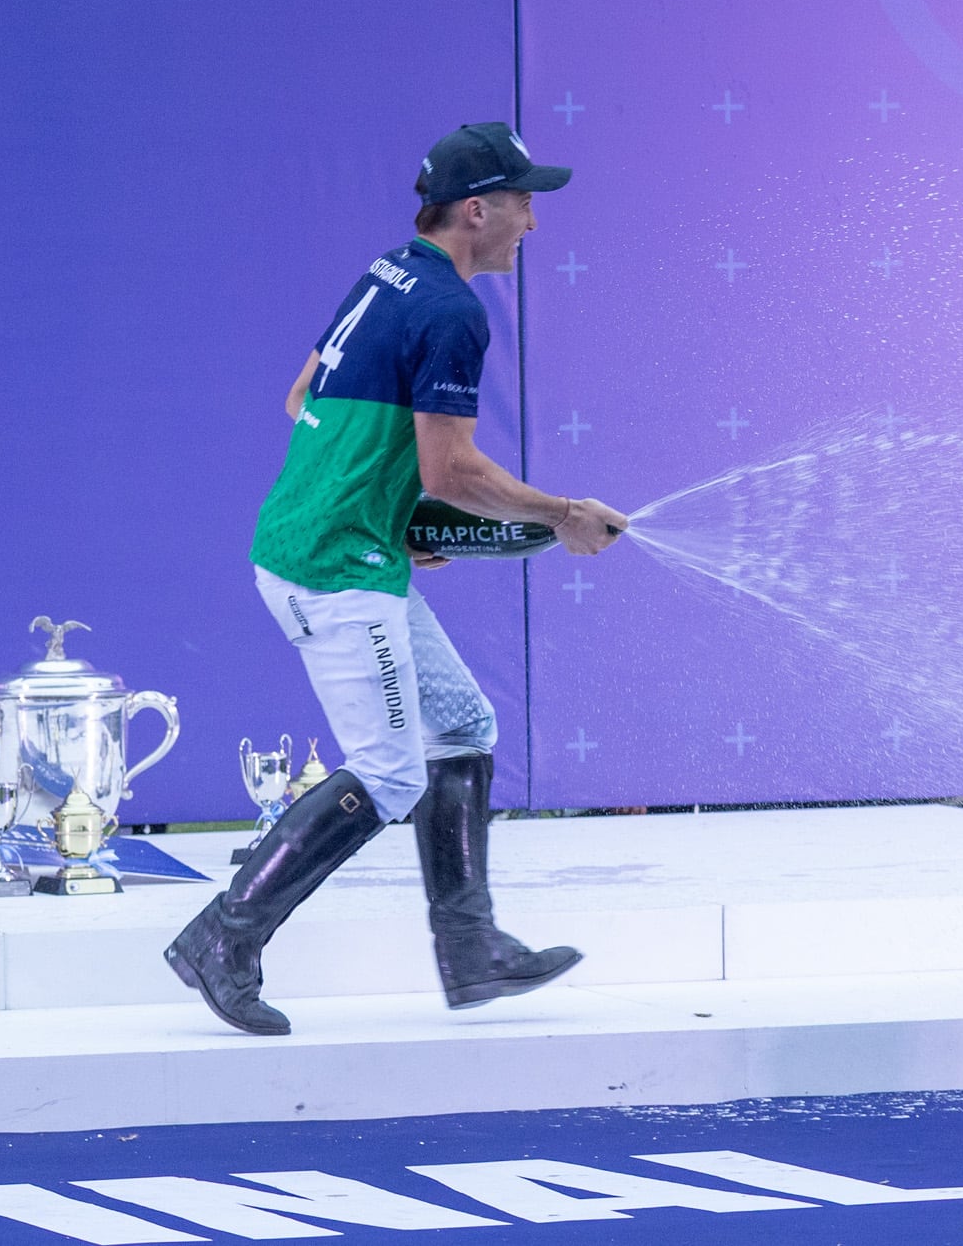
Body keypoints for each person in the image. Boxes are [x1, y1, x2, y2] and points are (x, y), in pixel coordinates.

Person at [166, 123, 631, 1036]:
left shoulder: (390, 273)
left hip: (327, 540)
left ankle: (470, 949)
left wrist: (387, 509)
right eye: (526, 201)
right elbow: (452, 473)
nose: (534, 221)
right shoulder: (453, 311)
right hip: (336, 567)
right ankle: (224, 935)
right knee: (386, 775)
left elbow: (301, 395)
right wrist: (563, 514)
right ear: (477, 209)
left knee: (461, 723)